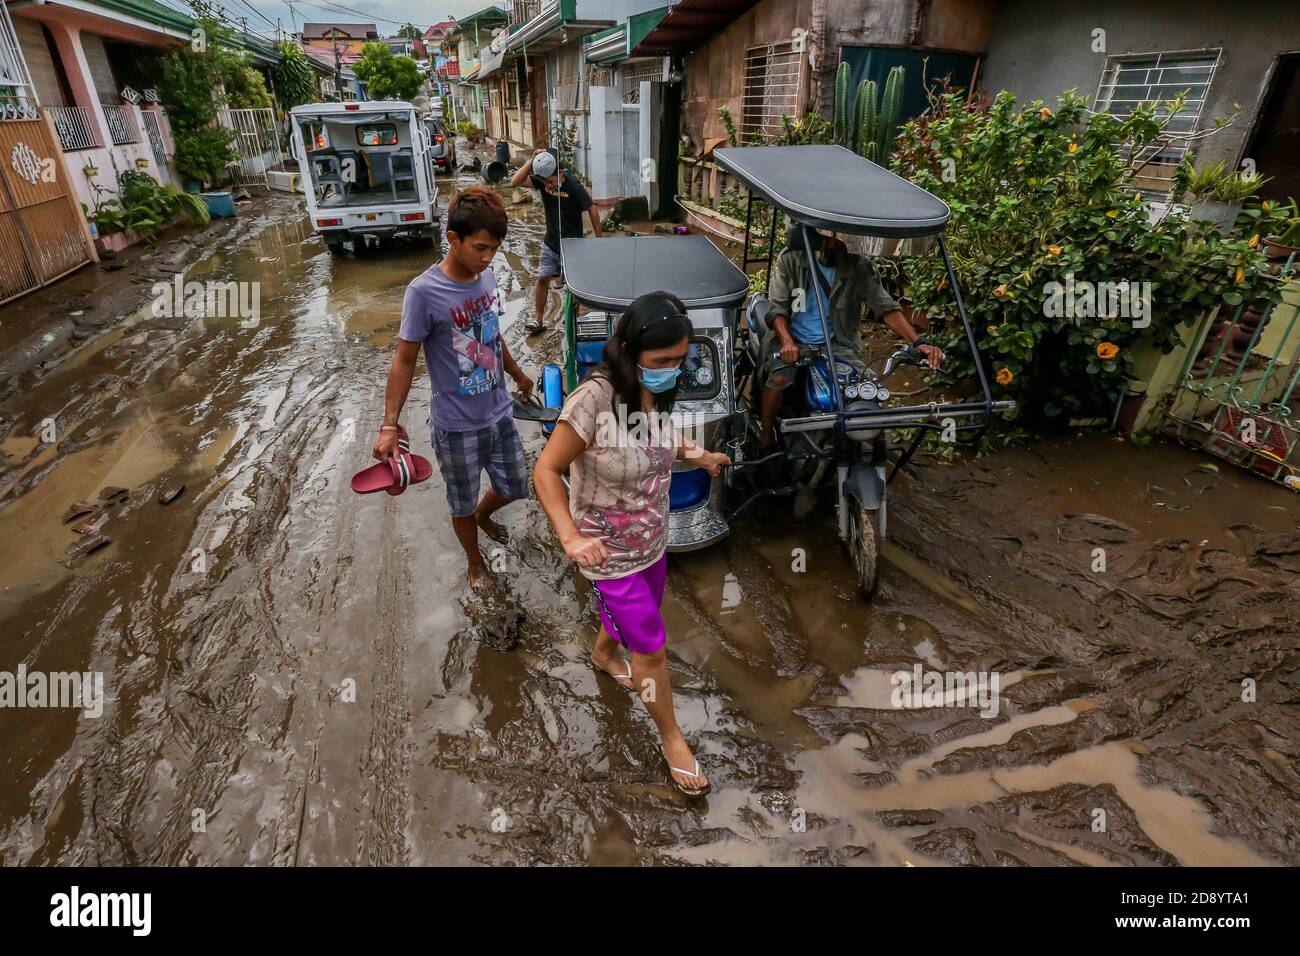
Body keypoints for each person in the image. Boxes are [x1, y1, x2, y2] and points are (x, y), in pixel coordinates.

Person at [533, 291, 730, 797]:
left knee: (632, 622)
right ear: (629, 349)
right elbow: (547, 470)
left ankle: (602, 656)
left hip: (652, 540)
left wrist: (700, 455)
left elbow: (656, 437)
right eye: (663, 361)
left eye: (681, 361)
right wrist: (571, 537)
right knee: (652, 650)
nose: (672, 370)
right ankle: (672, 740)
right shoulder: (592, 401)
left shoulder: (652, 392)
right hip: (606, 551)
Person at [374, 186, 534, 589]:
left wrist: (515, 373)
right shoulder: (423, 292)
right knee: (460, 501)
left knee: (515, 484)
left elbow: (492, 339)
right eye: (480, 248)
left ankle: (485, 515)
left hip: (499, 413)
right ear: (453, 239)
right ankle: (475, 562)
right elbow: (405, 359)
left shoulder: (488, 278)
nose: (487, 258)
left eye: (494, 249)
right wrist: (389, 424)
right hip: (456, 425)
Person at [756, 228, 945, 448]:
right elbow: (777, 309)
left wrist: (918, 342)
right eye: (825, 236)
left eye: (836, 238)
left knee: (869, 387)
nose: (829, 243)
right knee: (778, 380)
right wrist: (787, 342)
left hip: (837, 343)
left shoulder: (857, 267)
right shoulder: (791, 260)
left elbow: (886, 307)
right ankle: (766, 435)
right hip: (792, 339)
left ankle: (862, 440)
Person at [510, 148, 602, 334]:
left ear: (560, 173)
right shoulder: (543, 178)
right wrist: (533, 158)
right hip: (551, 241)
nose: (548, 186)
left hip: (573, 246)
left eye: (551, 181)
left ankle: (575, 318)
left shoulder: (574, 186)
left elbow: (592, 209)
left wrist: (599, 240)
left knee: (574, 285)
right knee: (543, 278)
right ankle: (538, 319)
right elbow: (515, 181)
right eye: (544, 183)